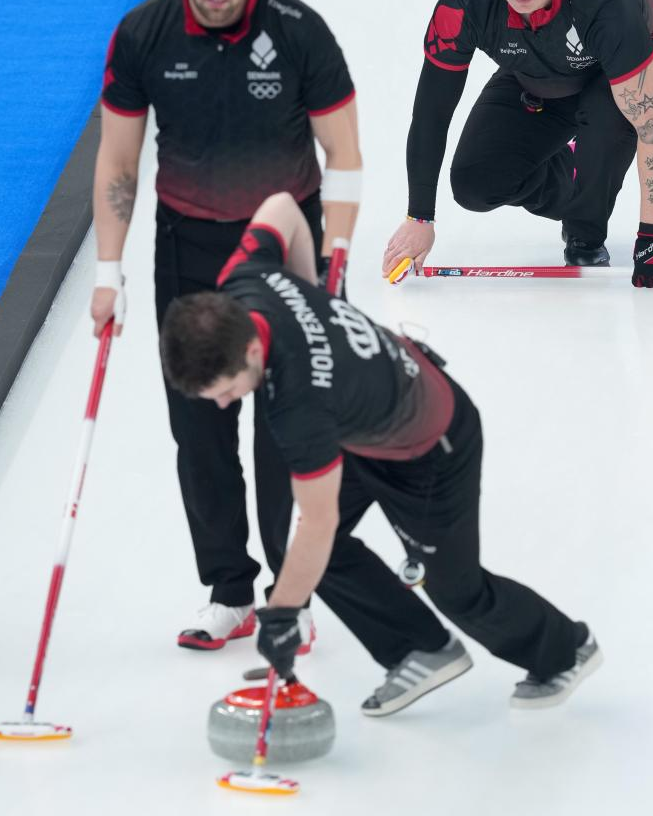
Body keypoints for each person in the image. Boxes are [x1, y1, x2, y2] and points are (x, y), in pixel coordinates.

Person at [159, 191, 602, 714]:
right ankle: (419, 647)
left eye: (228, 390)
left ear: (253, 351)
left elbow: (318, 521)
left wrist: (279, 615)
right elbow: (280, 205)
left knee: (457, 592)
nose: (227, 402)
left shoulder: (297, 402)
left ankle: (565, 648)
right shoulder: (244, 281)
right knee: (303, 549)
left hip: (433, 446)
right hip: (369, 422)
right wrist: (311, 294)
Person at [90, 0, 362, 649]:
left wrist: (333, 266)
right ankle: (229, 590)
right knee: (199, 427)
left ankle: (291, 592)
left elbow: (343, 156)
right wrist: (107, 271)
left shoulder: (300, 32)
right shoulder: (142, 35)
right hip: (189, 249)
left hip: (285, 250)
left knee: (286, 427)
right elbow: (118, 160)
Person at [382, 0, 653, 287]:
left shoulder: (605, 0)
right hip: (538, 74)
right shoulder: (464, 2)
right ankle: (577, 179)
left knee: (605, 127)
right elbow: (431, 114)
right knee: (475, 183)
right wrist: (419, 217)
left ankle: (585, 227)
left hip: (630, 65)